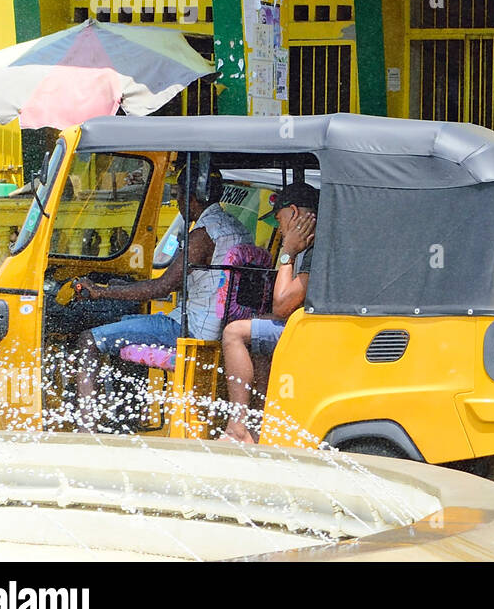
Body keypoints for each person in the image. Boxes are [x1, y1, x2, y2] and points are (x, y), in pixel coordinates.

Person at [72, 166, 251, 429]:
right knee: (128, 324)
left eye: (179, 194)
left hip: (190, 329)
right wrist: (122, 287)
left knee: (88, 340)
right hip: (218, 325)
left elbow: (162, 287)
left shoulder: (203, 235)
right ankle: (129, 418)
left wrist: (100, 291)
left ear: (193, 196)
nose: (178, 201)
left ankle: (86, 428)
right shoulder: (237, 228)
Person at [220, 182, 319, 443]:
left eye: (279, 219)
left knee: (233, 333)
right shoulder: (312, 246)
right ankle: (259, 421)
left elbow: (282, 304)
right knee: (255, 329)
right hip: (309, 323)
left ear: (293, 212)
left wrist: (287, 251)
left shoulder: (314, 249)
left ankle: (237, 427)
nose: (279, 227)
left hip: (317, 330)